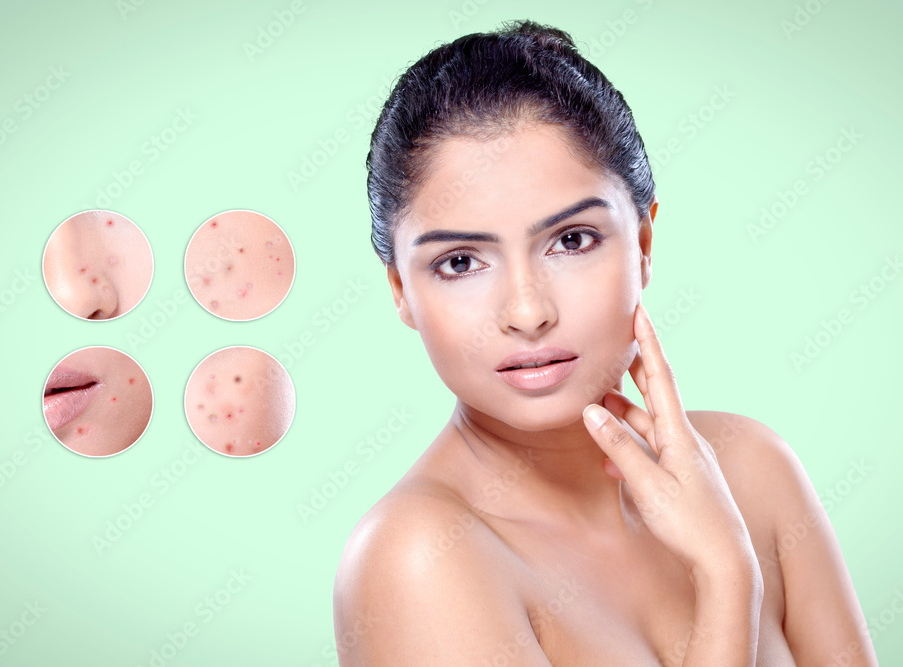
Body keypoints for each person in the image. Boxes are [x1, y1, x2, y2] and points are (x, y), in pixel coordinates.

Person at [333, 20, 876, 666]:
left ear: (643, 243)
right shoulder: (417, 556)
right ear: (400, 288)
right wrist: (728, 580)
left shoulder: (754, 470)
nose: (527, 311)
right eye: (459, 261)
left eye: (571, 241)